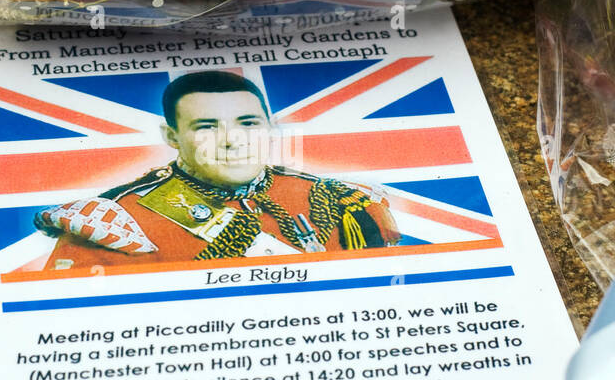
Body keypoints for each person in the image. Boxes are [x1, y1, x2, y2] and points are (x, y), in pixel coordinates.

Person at [37, 70, 399, 268]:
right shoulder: (118, 223)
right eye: (207, 127)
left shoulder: (337, 199)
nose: (232, 141)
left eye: (249, 123)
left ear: (270, 128)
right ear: (172, 137)